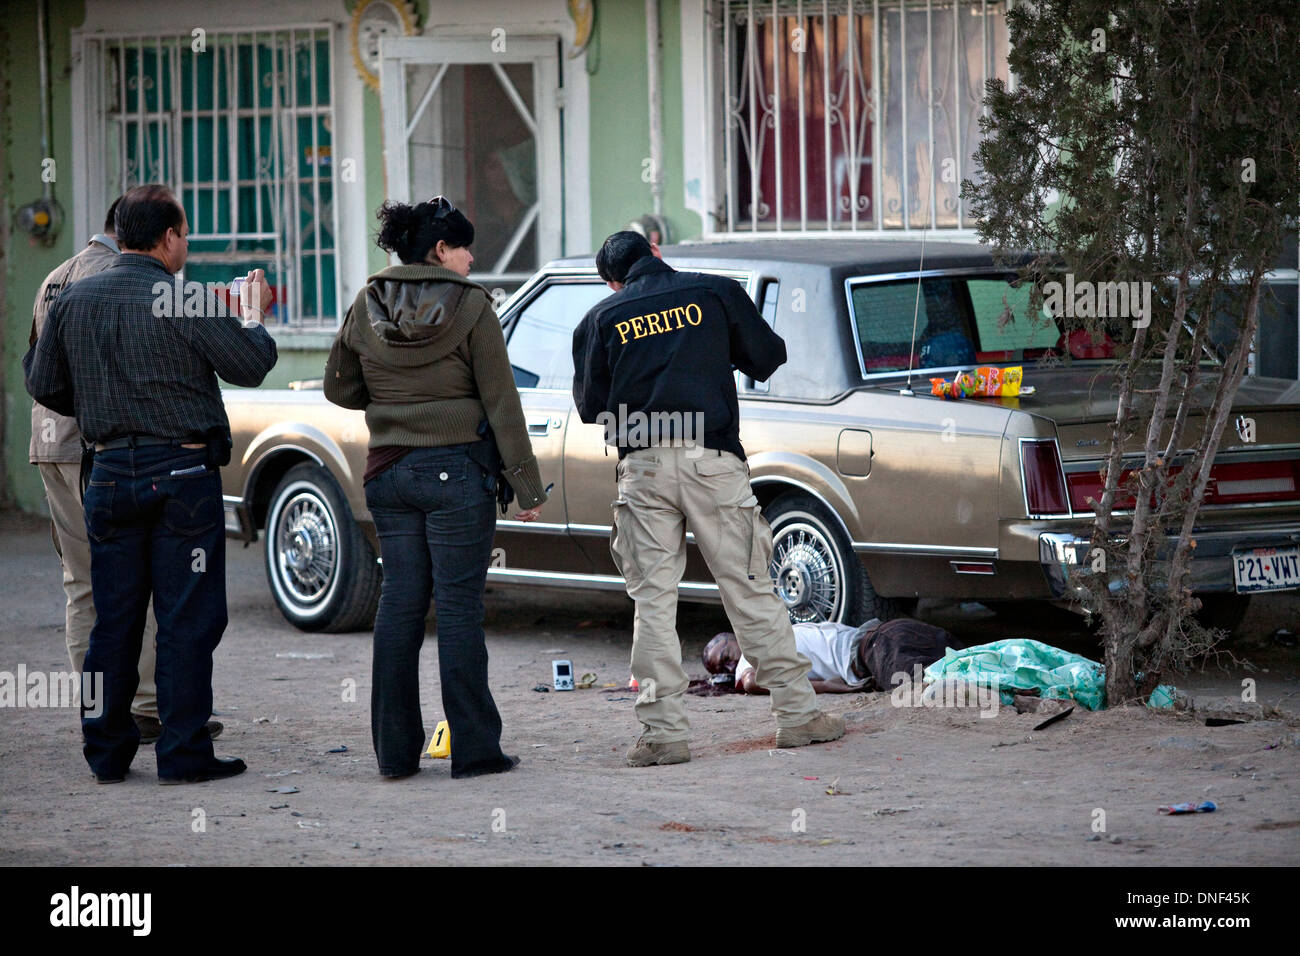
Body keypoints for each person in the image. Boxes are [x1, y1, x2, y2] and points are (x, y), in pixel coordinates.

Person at [25, 183, 277, 784]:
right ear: (168, 239)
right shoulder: (184, 300)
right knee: (186, 617)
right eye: (184, 234)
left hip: (107, 477)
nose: (185, 244)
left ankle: (106, 753)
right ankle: (183, 754)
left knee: (113, 617)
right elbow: (252, 364)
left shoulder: (74, 300)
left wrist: (100, 404)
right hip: (182, 480)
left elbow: (44, 384)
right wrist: (251, 315)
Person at [571, 231, 845, 767]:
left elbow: (591, 408)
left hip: (642, 469)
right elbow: (768, 356)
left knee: (652, 602)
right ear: (655, 255)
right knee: (749, 588)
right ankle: (797, 718)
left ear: (613, 281)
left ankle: (663, 737)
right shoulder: (714, 292)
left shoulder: (601, 319)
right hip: (712, 459)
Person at [324, 196, 547, 780]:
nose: (474, 259)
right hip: (456, 476)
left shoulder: (365, 302)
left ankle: (394, 755)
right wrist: (527, 486)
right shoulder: (472, 306)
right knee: (457, 608)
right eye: (465, 246)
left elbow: (339, 389)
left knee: (399, 604)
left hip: (388, 474)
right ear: (440, 250)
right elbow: (502, 401)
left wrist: (394, 398)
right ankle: (474, 752)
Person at [705, 617, 953, 695]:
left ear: (736, 639)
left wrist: (825, 686)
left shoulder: (751, 654)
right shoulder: (775, 631)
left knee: (942, 690)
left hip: (877, 651)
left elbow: (750, 682)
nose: (728, 666)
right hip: (890, 633)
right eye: (721, 670)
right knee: (973, 663)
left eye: (725, 655)